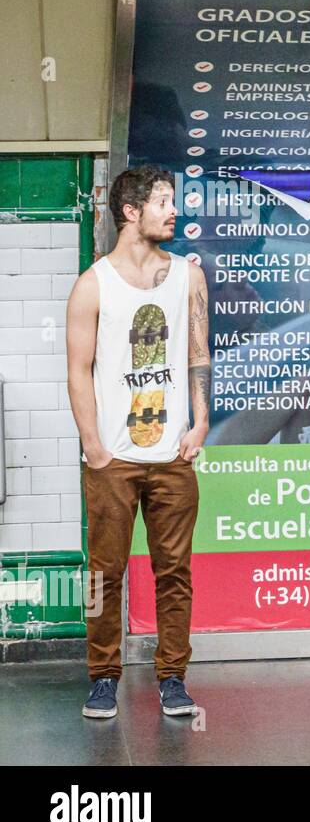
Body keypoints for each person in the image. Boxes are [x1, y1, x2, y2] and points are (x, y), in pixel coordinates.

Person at [66, 165, 210, 719]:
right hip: (112, 460)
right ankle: (103, 677)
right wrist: (95, 447)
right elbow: (78, 372)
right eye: (163, 202)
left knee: (174, 571)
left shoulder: (188, 277)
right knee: (103, 574)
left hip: (172, 456)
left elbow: (198, 353)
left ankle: (172, 677)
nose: (174, 211)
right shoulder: (92, 284)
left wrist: (200, 424)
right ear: (131, 211)